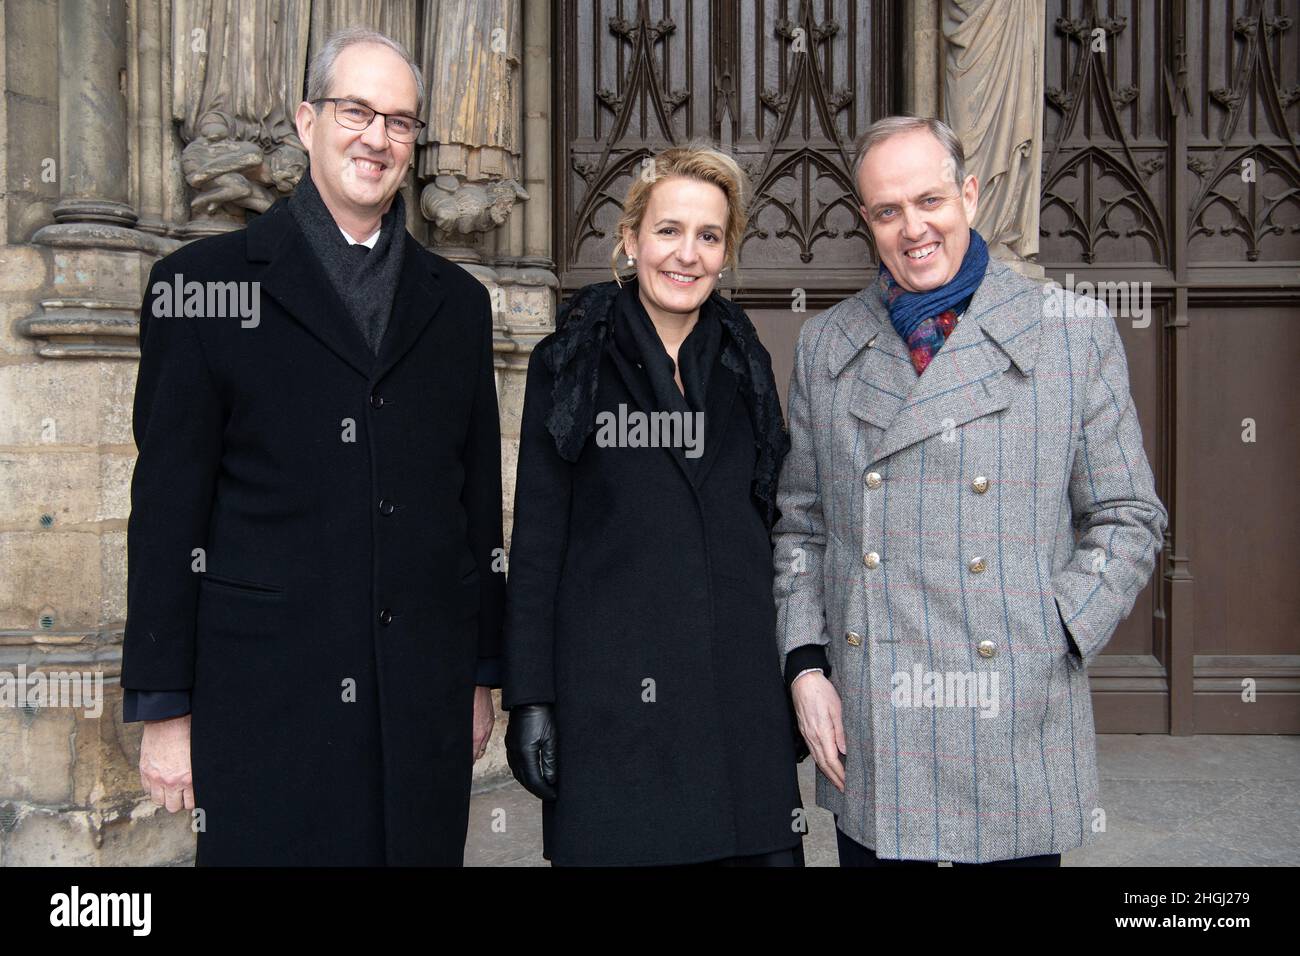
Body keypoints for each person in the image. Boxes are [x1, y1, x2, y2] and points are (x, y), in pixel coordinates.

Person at [121, 28, 505, 865]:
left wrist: (480, 675)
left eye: (399, 121)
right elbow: (166, 511)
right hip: (265, 705)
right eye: (355, 111)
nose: (377, 137)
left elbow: (476, 506)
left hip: (419, 709)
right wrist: (166, 711)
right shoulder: (202, 289)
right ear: (305, 120)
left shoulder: (460, 304)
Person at [773, 116, 1167, 866]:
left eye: (930, 201)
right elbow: (803, 527)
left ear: (971, 195)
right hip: (879, 721)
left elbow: (1128, 516)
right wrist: (806, 665)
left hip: (1014, 713)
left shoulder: (1070, 332)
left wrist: (1052, 631)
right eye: (888, 212)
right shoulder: (828, 344)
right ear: (867, 221)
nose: (912, 229)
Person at [502, 145, 804, 866]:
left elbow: (774, 523)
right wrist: (531, 697)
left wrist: (793, 673)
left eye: (709, 236)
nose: (687, 254)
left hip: (737, 708)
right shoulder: (568, 361)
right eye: (669, 230)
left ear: (727, 252)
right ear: (631, 239)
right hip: (613, 711)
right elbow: (538, 542)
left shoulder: (745, 359)